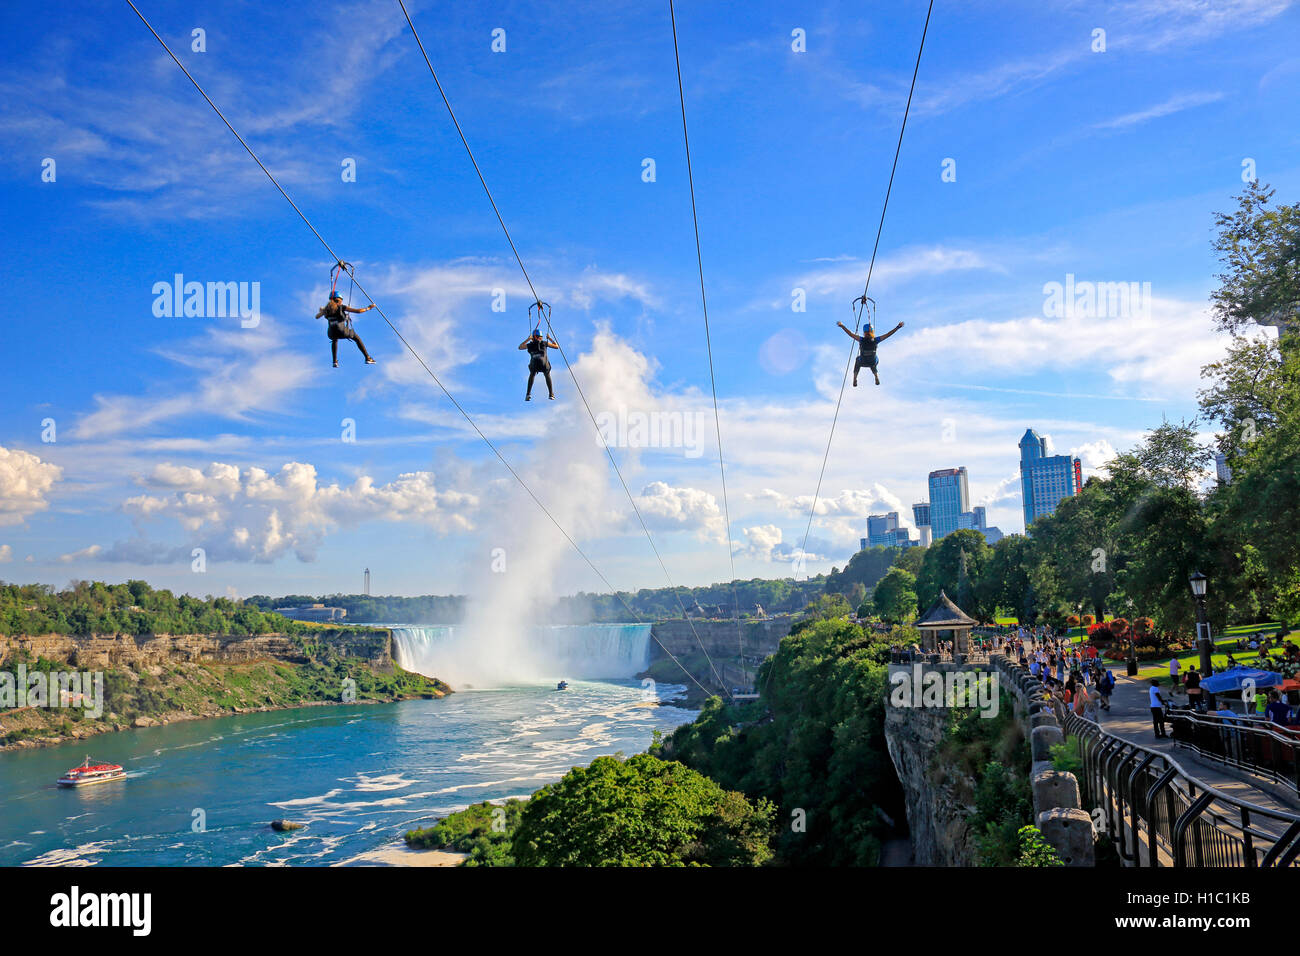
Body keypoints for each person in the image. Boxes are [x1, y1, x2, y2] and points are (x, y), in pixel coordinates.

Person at [836, 319, 904, 387]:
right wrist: (897, 327)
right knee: (874, 361)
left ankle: (855, 378)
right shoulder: (876, 340)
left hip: (862, 361)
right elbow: (888, 334)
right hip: (872, 362)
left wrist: (842, 326)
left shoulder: (861, 340)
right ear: (872, 331)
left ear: (864, 332)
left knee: (857, 359)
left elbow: (850, 334)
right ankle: (876, 376)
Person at [316, 291, 376, 367]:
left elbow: (317, 317)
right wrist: (369, 308)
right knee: (356, 337)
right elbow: (359, 311)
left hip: (331, 333)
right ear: (339, 300)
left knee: (334, 339)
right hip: (342, 332)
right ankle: (367, 357)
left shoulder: (327, 310)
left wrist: (322, 311)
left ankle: (334, 361)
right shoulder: (341, 307)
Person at [519, 328, 559, 401]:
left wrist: (528, 339)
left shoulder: (530, 344)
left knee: (532, 374)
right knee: (547, 374)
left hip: (534, 364)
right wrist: (549, 338)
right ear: (540, 337)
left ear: (533, 337)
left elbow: (520, 347)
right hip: (544, 364)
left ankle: (528, 394)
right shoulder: (544, 343)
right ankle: (551, 394)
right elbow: (556, 346)